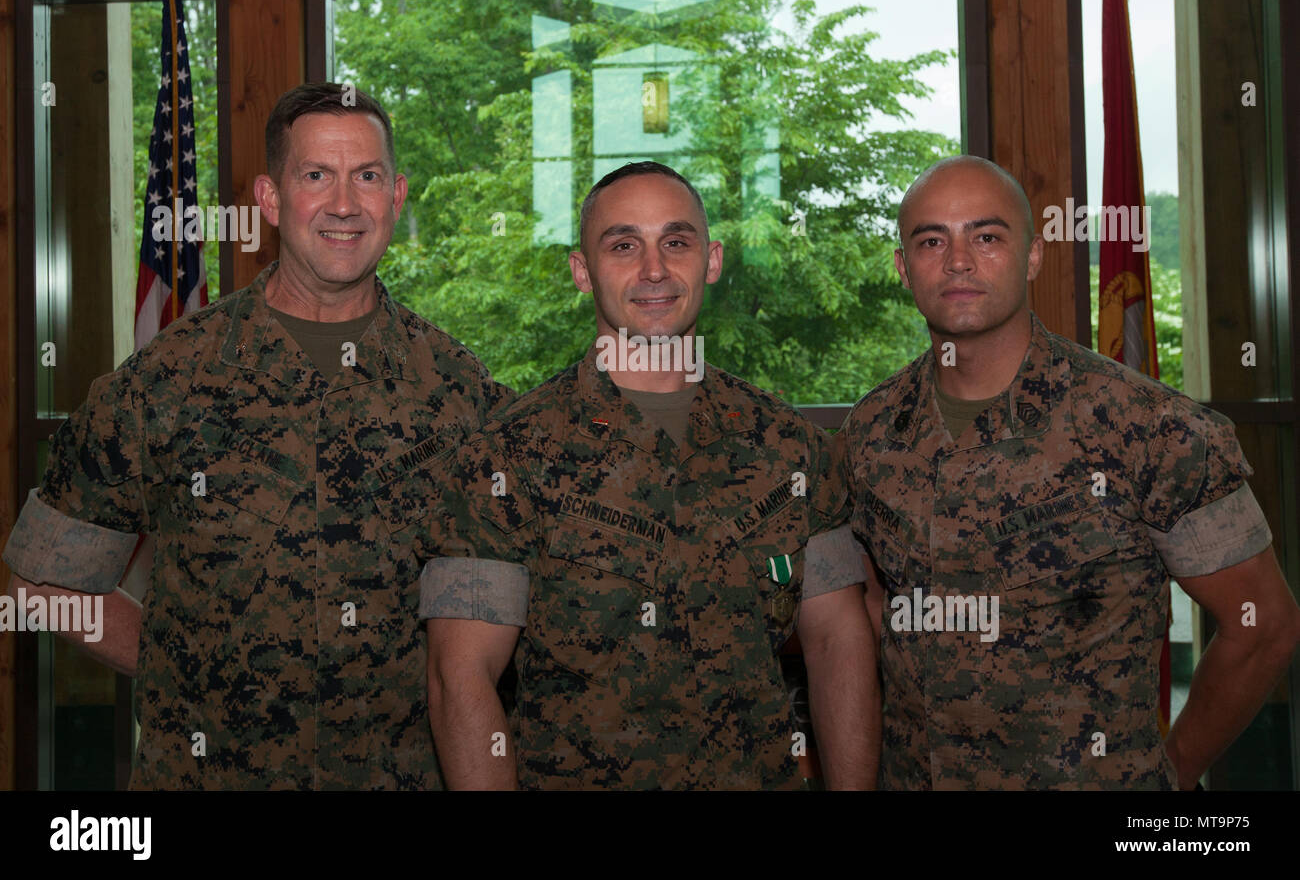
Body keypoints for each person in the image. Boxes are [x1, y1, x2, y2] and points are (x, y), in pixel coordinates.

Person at [3, 82, 511, 788]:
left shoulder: (459, 392)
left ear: (396, 196)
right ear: (270, 201)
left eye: (366, 177)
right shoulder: (167, 379)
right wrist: (180, 665)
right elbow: (41, 581)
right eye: (315, 176)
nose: (343, 203)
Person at [839, 154, 1300, 789]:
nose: (959, 261)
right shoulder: (871, 432)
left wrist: (1176, 772)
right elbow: (867, 611)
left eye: (988, 236)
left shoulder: (1148, 427)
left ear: (1032, 257)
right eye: (930, 241)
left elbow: (1263, 625)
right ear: (902, 267)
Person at [421, 161, 876, 789]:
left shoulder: (790, 446)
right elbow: (460, 679)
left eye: (677, 242)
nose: (654, 269)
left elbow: (837, 646)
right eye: (624, 245)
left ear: (711, 260)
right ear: (583, 271)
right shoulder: (509, 456)